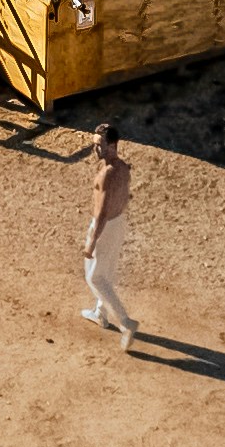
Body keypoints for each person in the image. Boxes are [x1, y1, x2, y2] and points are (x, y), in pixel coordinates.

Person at [81, 128, 136, 343]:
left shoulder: (106, 174)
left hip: (104, 226)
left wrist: (92, 242)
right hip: (118, 223)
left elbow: (102, 212)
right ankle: (101, 314)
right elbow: (125, 197)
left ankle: (125, 321)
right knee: (107, 272)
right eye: (95, 144)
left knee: (94, 277)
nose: (95, 148)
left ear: (112, 146)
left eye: (100, 144)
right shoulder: (123, 168)